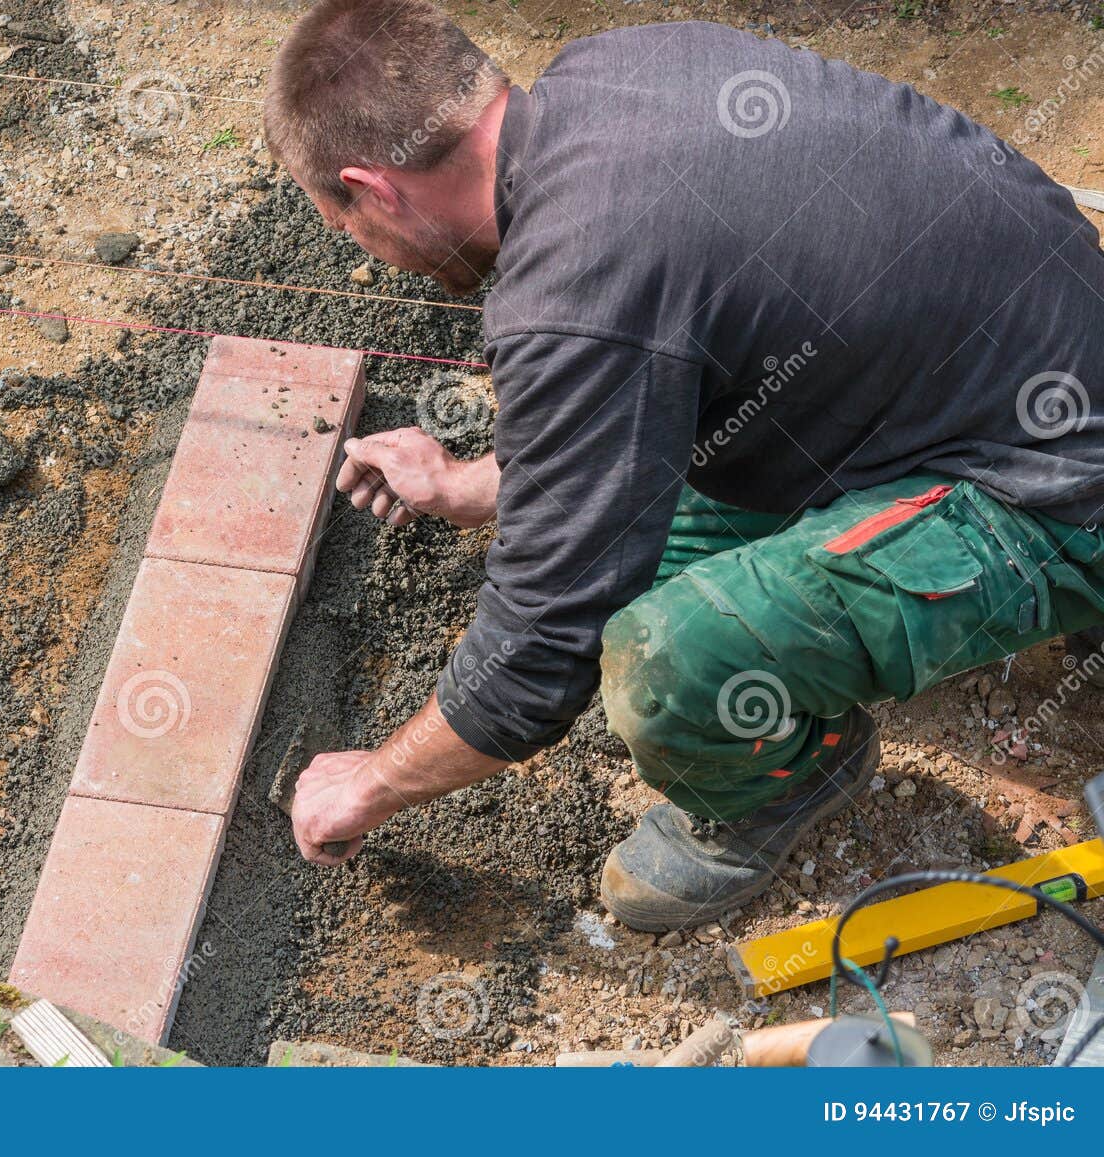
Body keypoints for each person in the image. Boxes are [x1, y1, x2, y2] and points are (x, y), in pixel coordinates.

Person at [263, 1, 1104, 932]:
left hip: (1058, 489)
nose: (371, 253)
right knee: (668, 502)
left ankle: (791, 780)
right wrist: (470, 485)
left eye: (347, 225)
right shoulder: (624, 67)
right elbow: (638, 381)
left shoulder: (574, 286)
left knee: (666, 663)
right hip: (1024, 352)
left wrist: (369, 784)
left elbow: (538, 654)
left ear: (373, 189)